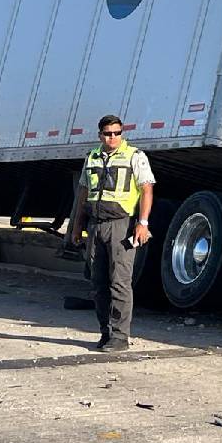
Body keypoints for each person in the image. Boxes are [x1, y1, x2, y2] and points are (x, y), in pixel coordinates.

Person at [69, 114, 155, 352]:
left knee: (120, 282)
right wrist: (77, 227)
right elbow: (83, 194)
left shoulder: (135, 156)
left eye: (117, 133)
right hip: (95, 225)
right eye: (108, 133)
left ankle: (119, 337)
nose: (113, 138)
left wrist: (143, 222)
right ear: (100, 135)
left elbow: (146, 190)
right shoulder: (92, 157)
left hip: (121, 225)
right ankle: (105, 333)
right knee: (98, 282)